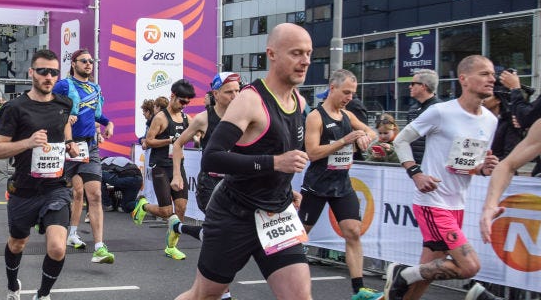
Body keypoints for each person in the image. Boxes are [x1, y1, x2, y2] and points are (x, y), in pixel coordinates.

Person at [175, 23, 313, 300]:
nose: (305, 61)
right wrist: (275, 164)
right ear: (271, 54)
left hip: (277, 215)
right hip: (233, 216)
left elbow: (279, 156)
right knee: (203, 295)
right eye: (296, 53)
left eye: (309, 53)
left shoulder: (298, 100)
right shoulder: (250, 100)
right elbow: (212, 158)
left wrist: (284, 188)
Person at [385, 55, 501, 300]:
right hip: (432, 202)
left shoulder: (491, 121)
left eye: (492, 74)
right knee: (470, 267)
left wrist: (483, 168)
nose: (492, 78)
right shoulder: (441, 112)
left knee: (424, 277)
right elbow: (401, 140)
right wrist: (415, 173)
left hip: (457, 204)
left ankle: (405, 276)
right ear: (464, 79)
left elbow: (466, 165)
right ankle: (404, 274)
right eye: (484, 74)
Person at [0, 49, 77, 300]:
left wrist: (70, 144)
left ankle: (42, 294)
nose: (48, 77)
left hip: (55, 187)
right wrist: (28, 142)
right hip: (24, 189)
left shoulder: (64, 104)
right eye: (43, 71)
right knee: (18, 243)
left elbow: (63, 130)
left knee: (58, 247)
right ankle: (12, 286)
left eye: (53, 72)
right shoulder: (15, 108)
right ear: (31, 73)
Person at [296, 69, 382, 300]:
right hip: (317, 184)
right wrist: (344, 141)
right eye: (346, 92)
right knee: (301, 234)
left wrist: (365, 138)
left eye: (353, 93)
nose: (349, 97)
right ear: (332, 88)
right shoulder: (316, 116)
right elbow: (312, 153)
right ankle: (286, 278)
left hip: (341, 185)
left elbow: (372, 132)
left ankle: (359, 289)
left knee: (353, 231)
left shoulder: (347, 115)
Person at [168, 72, 241, 300]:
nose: (235, 96)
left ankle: (178, 228)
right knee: (220, 236)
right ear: (216, 93)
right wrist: (177, 175)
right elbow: (178, 144)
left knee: (220, 236)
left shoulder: (244, 116)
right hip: (209, 184)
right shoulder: (203, 118)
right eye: (229, 92)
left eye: (238, 91)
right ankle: (223, 293)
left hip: (233, 184)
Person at [53, 48, 116, 264]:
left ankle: (99, 246)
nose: (89, 64)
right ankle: (69, 233)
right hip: (67, 146)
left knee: (95, 194)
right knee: (72, 193)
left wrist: (108, 123)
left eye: (91, 61)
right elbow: (52, 109)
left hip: (89, 146)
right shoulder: (64, 85)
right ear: (74, 64)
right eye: (84, 61)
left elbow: (97, 114)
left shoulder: (95, 88)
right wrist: (64, 119)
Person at [134, 79, 194, 260]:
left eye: (187, 103)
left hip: (177, 165)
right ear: (172, 96)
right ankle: (143, 206)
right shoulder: (160, 118)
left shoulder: (186, 118)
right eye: (182, 101)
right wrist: (169, 140)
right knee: (166, 211)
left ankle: (171, 246)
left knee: (182, 207)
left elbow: (198, 132)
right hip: (159, 165)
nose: (184, 106)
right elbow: (148, 141)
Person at [406, 69, 440, 163]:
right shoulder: (412, 109)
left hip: (432, 165)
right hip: (413, 166)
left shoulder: (440, 110)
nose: (410, 87)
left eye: (413, 84)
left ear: (423, 86)